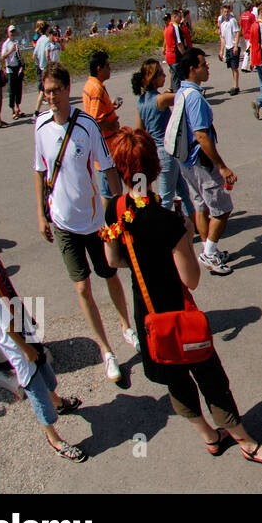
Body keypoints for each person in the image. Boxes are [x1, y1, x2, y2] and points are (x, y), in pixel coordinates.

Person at [100, 129, 262, 466]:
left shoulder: (115, 210)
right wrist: (186, 233)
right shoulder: (166, 219)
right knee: (211, 378)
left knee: (176, 383)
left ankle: (209, 436)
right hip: (178, 312)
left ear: (121, 169)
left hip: (148, 316)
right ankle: (245, 441)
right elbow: (192, 278)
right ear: (155, 169)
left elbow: (113, 260)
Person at [0, 186, 88, 461]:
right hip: (14, 337)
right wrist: (24, 346)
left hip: (19, 326)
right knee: (34, 385)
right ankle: (53, 436)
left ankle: (57, 401)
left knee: (44, 370)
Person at [33, 63, 137, 384]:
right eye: (46, 91)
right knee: (82, 286)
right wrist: (41, 214)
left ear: (67, 90)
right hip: (63, 222)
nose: (50, 96)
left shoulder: (87, 125)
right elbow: (39, 171)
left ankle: (126, 325)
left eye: (55, 90)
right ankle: (106, 351)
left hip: (93, 221)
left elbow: (108, 169)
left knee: (109, 274)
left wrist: (119, 210)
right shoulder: (39, 127)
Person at [172, 48, 237, 274]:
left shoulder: (181, 91)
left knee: (201, 205)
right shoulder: (195, 98)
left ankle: (206, 248)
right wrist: (222, 166)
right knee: (222, 209)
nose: (207, 68)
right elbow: (201, 135)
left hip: (186, 161)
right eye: (203, 65)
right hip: (200, 162)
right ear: (192, 69)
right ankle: (210, 252)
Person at [132, 58, 191, 212]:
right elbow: (183, 96)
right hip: (167, 151)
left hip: (156, 151)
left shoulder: (141, 101)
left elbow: (140, 131)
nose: (165, 77)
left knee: (182, 190)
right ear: (153, 78)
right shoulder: (161, 99)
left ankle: (193, 221)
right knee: (166, 197)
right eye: (162, 74)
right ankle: (160, 230)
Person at [81, 50, 123, 199]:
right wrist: (113, 125)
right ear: (99, 69)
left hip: (105, 147)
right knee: (111, 193)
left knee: (112, 191)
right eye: (107, 65)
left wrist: (111, 107)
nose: (110, 68)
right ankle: (109, 221)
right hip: (107, 148)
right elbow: (96, 121)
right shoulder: (96, 88)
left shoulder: (90, 85)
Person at [1, 25, 25, 119]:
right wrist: (11, 51)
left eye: (14, 31)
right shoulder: (6, 44)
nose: (12, 33)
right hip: (10, 68)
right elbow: (3, 56)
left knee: (18, 88)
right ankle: (12, 110)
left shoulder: (16, 42)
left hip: (17, 67)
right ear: (8, 33)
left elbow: (19, 54)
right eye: (11, 32)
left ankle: (18, 108)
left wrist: (22, 65)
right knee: (12, 90)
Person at [218, 3, 241, 96]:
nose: (226, 13)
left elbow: (237, 32)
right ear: (222, 12)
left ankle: (236, 86)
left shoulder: (233, 21)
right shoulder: (223, 24)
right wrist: (221, 50)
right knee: (231, 67)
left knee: (235, 67)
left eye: (227, 11)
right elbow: (222, 38)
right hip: (227, 47)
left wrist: (235, 45)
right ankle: (234, 85)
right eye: (224, 12)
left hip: (233, 46)